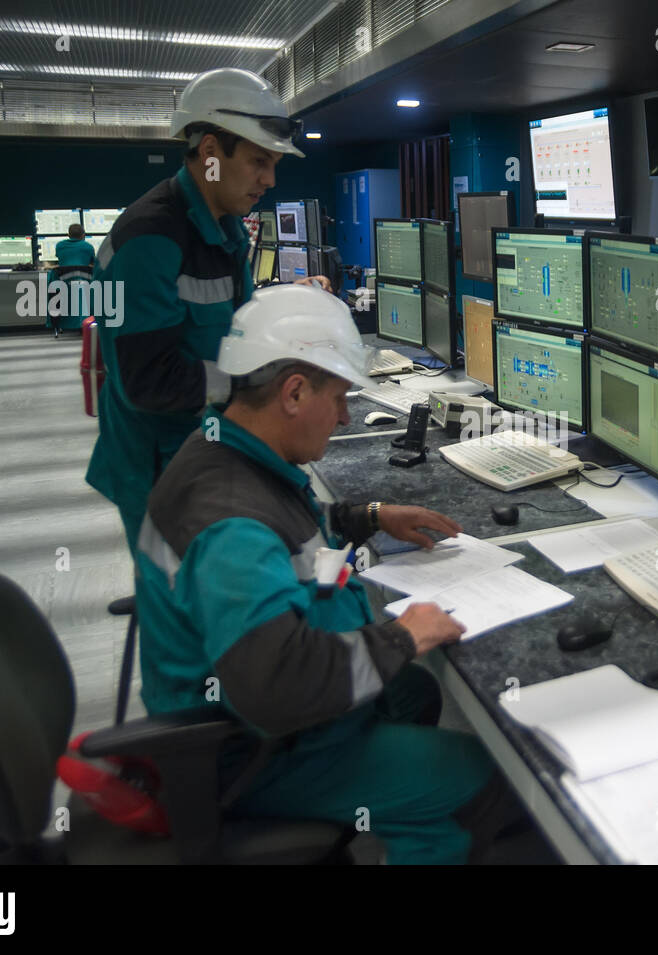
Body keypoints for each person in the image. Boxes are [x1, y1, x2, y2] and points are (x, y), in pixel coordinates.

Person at [134, 283, 522, 864]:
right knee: (479, 778)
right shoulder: (230, 522)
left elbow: (287, 534)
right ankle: (430, 823)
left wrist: (367, 517)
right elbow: (276, 688)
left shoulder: (225, 452)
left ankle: (386, 812)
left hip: (253, 714)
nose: (344, 416)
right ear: (293, 392)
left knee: (413, 691)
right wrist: (401, 636)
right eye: (339, 397)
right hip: (255, 746)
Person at [86, 67, 332, 555]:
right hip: (160, 462)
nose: (270, 179)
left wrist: (286, 298)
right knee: (187, 610)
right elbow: (148, 381)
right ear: (211, 155)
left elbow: (229, 322)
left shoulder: (222, 225)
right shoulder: (150, 239)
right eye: (260, 161)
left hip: (203, 443)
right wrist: (258, 379)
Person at [47, 223, 97, 338]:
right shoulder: (88, 247)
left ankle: (57, 326)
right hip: (85, 284)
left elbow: (60, 259)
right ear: (83, 235)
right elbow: (93, 262)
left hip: (63, 284)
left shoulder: (59, 246)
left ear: (68, 235)